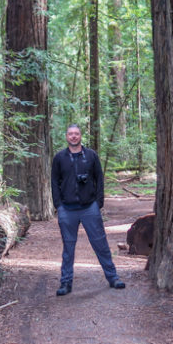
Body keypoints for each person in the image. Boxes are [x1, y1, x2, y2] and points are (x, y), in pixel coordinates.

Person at [51, 124, 125, 296]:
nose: (74, 136)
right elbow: (54, 182)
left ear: (81, 136)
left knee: (101, 244)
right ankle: (66, 283)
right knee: (68, 248)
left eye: (76, 134)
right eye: (70, 134)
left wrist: (98, 202)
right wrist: (58, 205)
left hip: (89, 207)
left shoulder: (91, 155)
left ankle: (113, 277)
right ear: (66, 136)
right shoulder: (59, 158)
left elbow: (99, 178)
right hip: (67, 209)